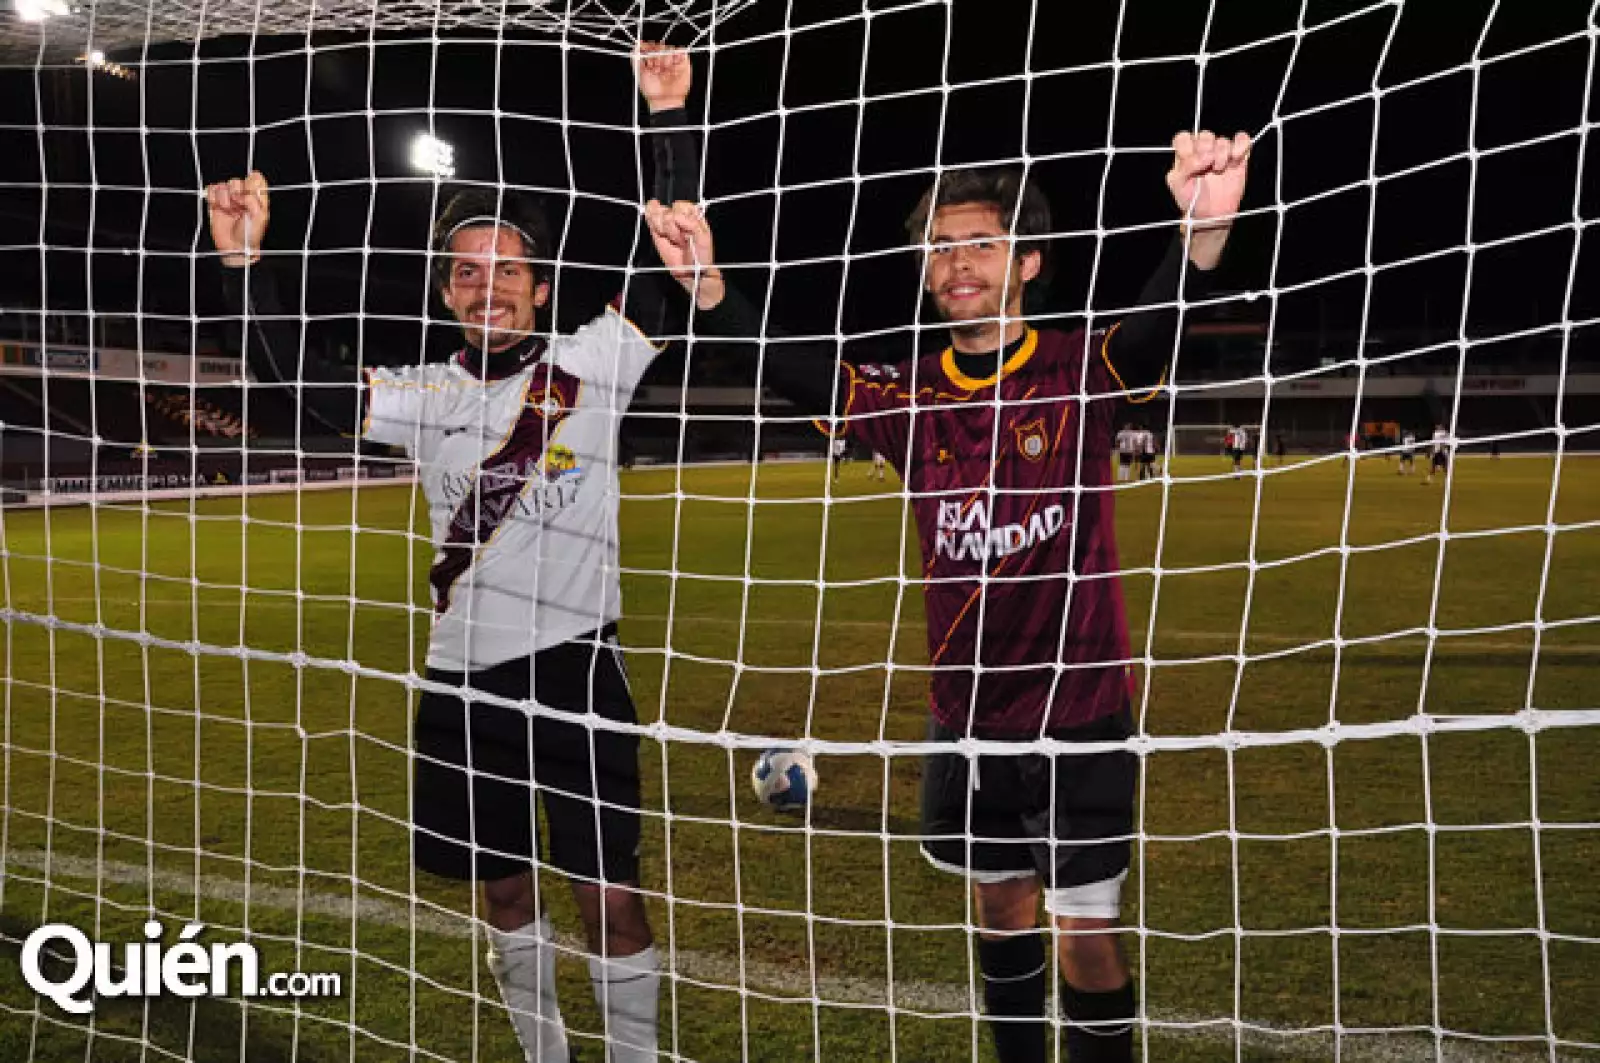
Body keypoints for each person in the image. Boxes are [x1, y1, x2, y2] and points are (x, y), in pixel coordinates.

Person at [644, 130, 1252, 1063]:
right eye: (940, 247)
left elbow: (1153, 329)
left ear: (1028, 262)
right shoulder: (912, 394)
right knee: (1000, 911)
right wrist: (710, 289)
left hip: (1080, 716)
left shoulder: (1077, 371)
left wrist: (1200, 236)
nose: (957, 262)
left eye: (979, 243)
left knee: (1087, 940)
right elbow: (801, 371)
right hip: (965, 719)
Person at [206, 46, 736, 1063]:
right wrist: (243, 265)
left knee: (611, 895)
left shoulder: (595, 361)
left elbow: (670, 245)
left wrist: (666, 117)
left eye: (507, 270)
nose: (486, 286)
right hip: (460, 685)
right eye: (466, 271)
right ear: (447, 291)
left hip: (578, 672)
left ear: (539, 287)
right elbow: (294, 380)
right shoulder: (423, 394)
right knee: (502, 894)